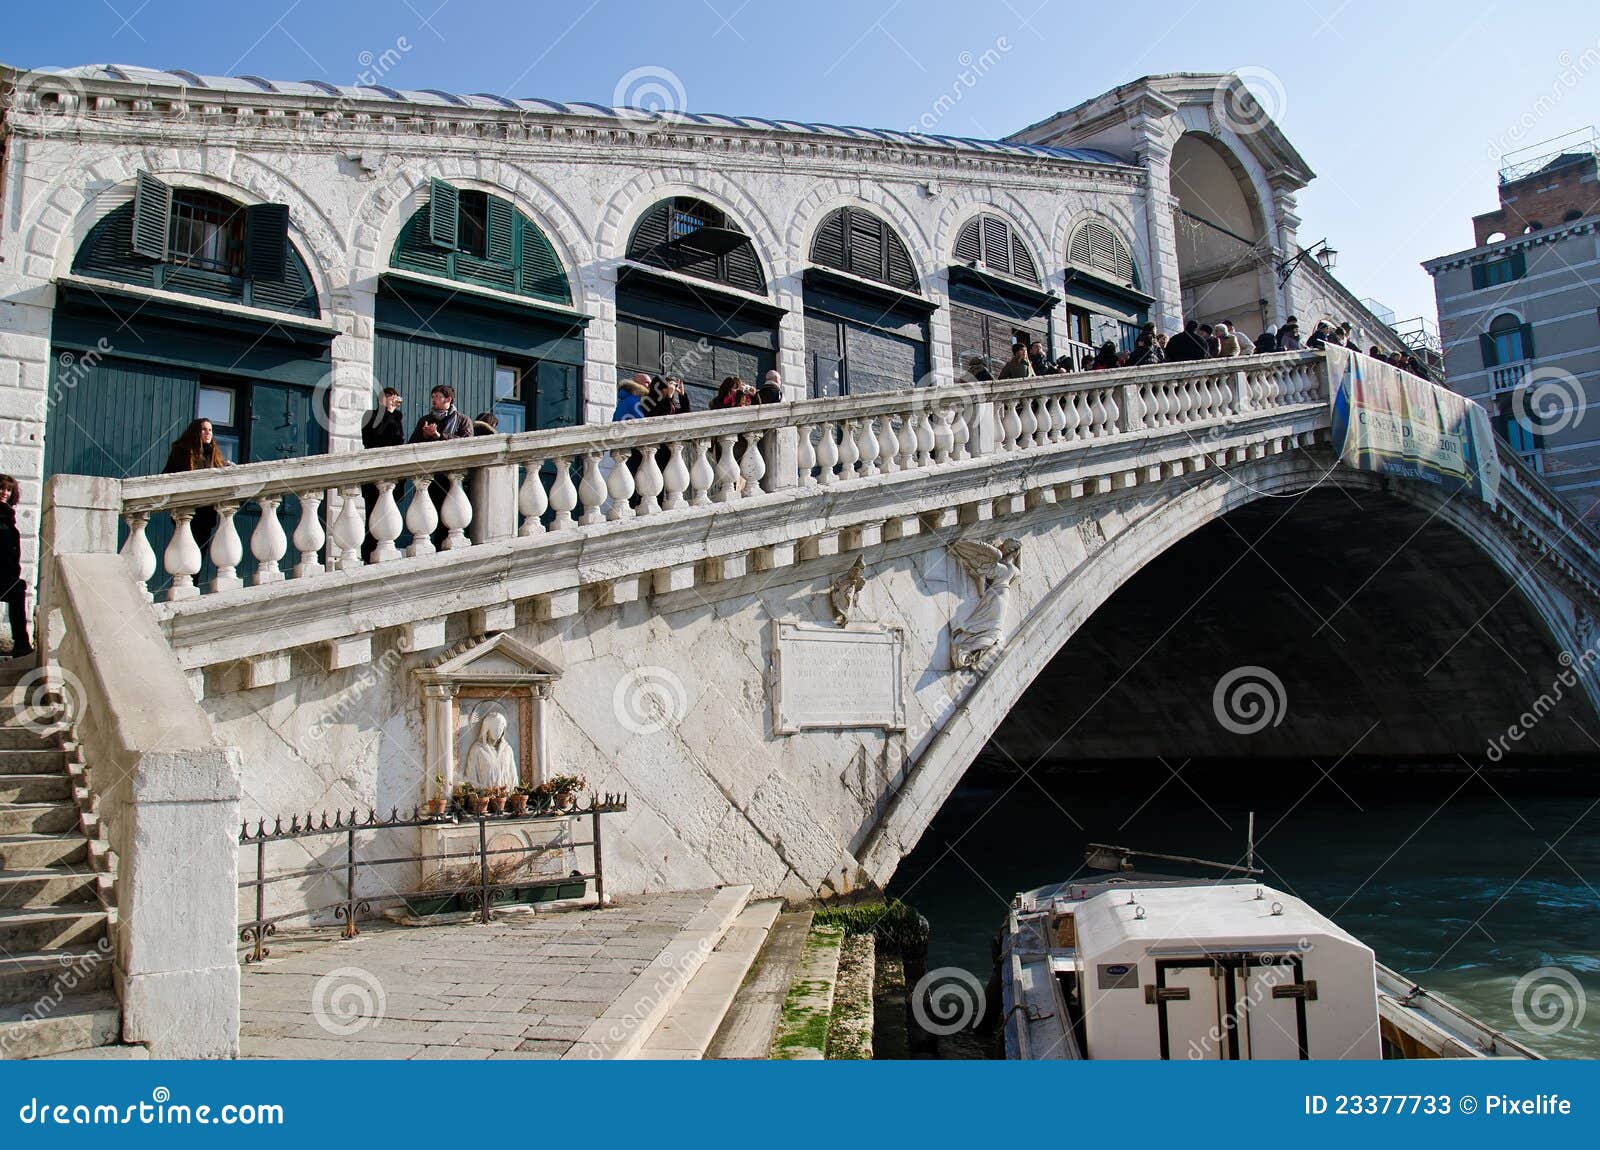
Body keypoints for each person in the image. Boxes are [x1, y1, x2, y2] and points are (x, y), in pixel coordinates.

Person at [163, 417, 229, 549]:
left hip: (206, 512)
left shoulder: (213, 453)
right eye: (203, 429)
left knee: (200, 552)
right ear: (195, 432)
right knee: (185, 552)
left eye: (210, 430)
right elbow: (168, 474)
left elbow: (221, 470)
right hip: (187, 510)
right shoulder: (182, 451)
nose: (208, 432)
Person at [360, 389, 406, 563]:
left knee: (389, 514)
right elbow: (374, 438)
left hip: (392, 475)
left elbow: (398, 441)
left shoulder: (397, 417)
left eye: (393, 398)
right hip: (374, 475)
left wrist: (392, 414)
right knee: (372, 515)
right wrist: (386, 413)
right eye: (388, 397)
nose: (392, 401)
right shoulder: (370, 415)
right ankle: (368, 556)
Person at [0, 475, 30, 659]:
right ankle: (21, 645)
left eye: (8, 490)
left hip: (6, 576)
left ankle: (21, 645)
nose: (5, 492)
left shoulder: (8, 515)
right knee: (17, 591)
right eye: (1, 488)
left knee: (18, 591)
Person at [409, 384, 473, 443]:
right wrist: (424, 436)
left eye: (437, 396)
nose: (433, 399)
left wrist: (439, 436)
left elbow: (467, 442)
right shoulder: (425, 420)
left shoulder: (463, 420)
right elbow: (412, 443)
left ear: (448, 399)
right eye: (432, 397)